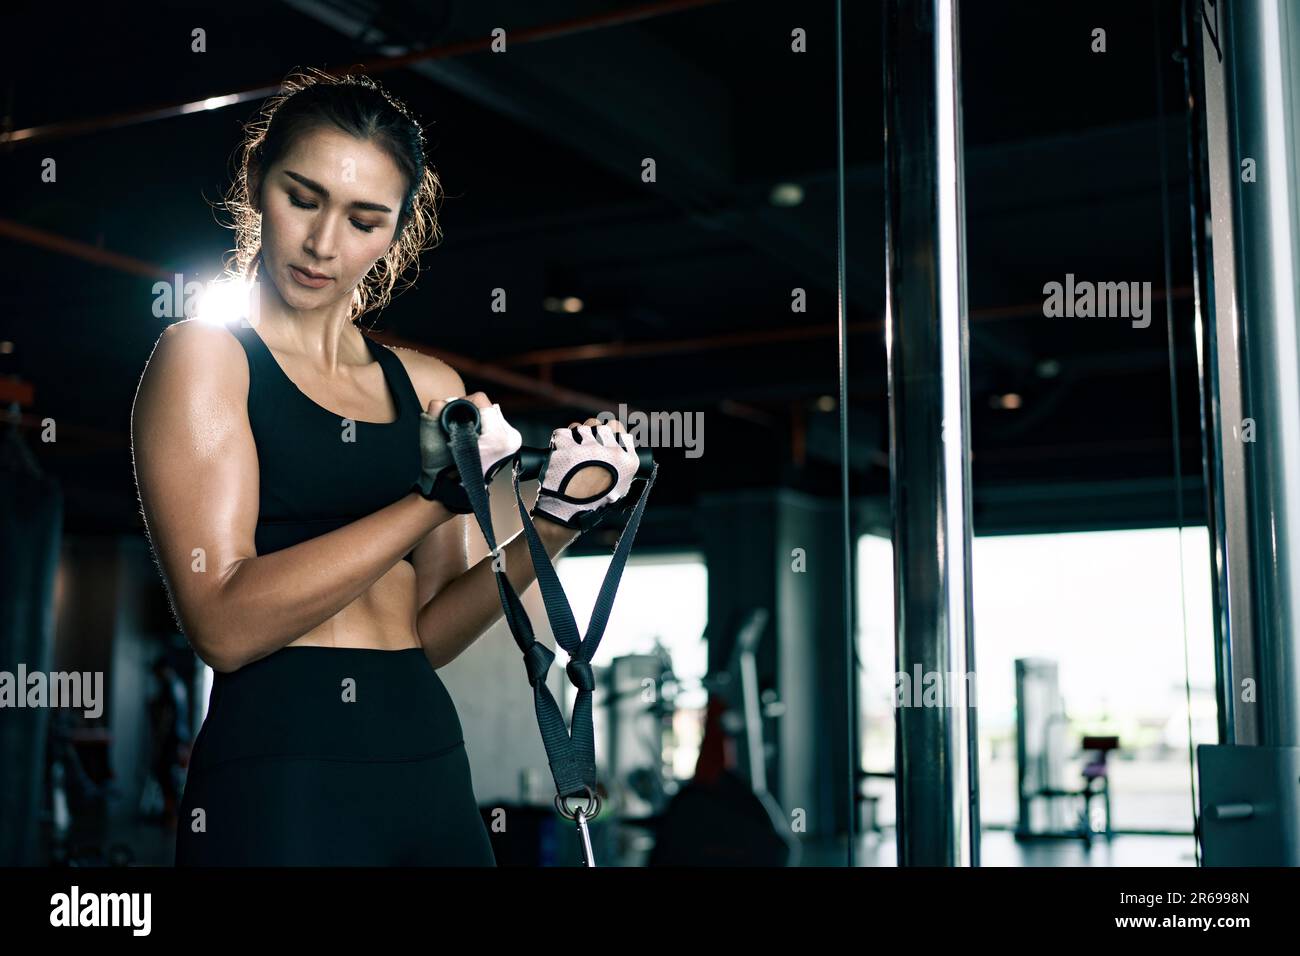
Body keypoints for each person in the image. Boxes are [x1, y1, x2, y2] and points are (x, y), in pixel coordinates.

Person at [130, 68, 641, 866]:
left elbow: (430, 632)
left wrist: (556, 521)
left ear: (397, 231)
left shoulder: (429, 388)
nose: (325, 244)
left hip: (426, 758)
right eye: (303, 198)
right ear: (258, 180)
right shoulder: (205, 357)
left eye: (365, 219)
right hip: (281, 766)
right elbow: (224, 627)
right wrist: (429, 499)